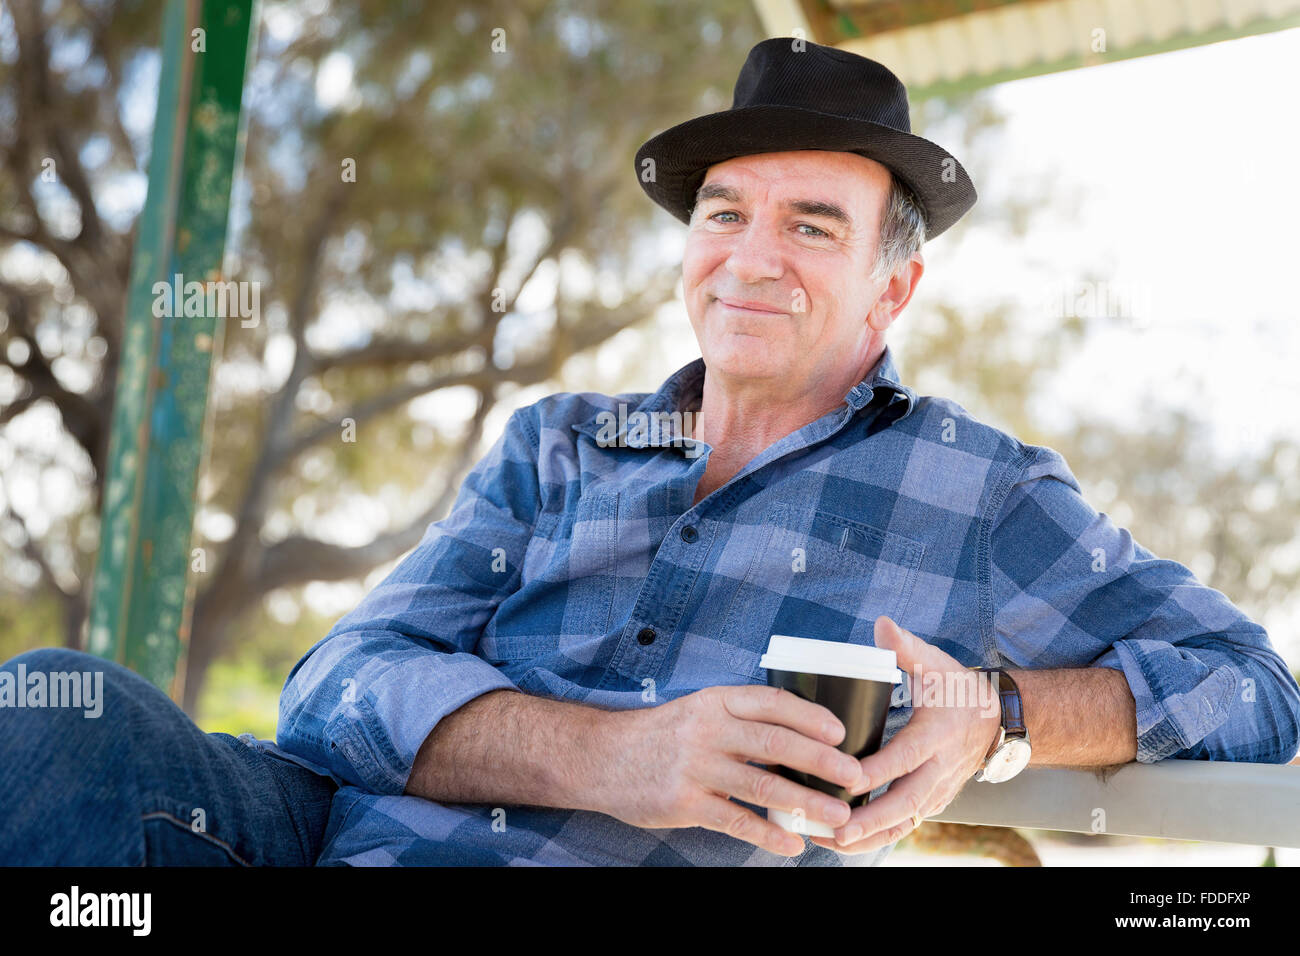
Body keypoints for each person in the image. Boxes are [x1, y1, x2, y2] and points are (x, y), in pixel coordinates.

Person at [2, 38, 1296, 867]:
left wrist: (1001, 719)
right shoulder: (562, 445)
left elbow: (1254, 688)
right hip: (313, 843)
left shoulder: (979, 491)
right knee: (53, 712)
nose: (750, 254)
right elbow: (333, 685)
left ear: (890, 291)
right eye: (725, 213)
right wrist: (619, 755)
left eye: (811, 225)